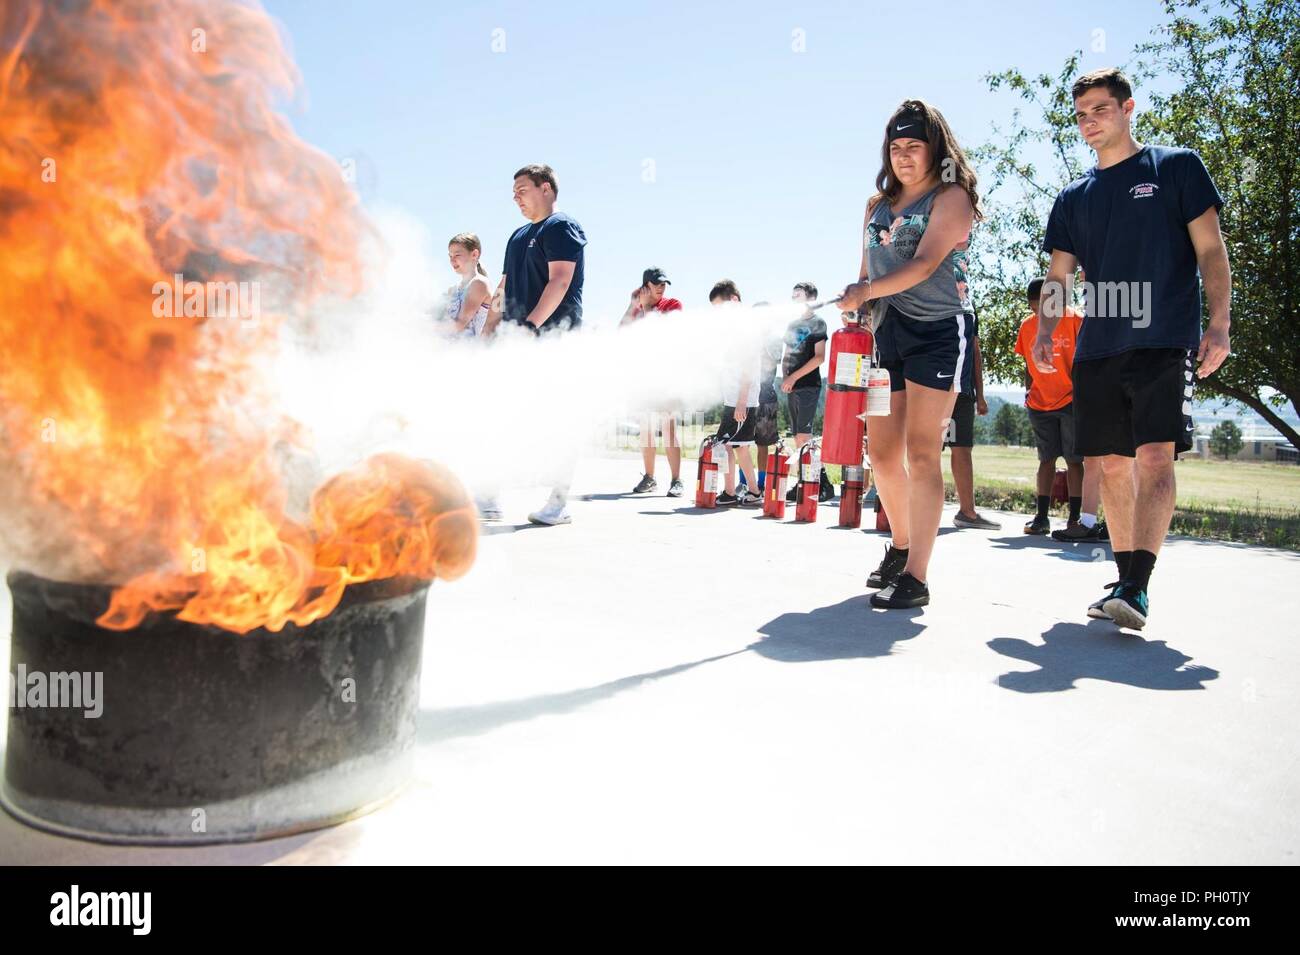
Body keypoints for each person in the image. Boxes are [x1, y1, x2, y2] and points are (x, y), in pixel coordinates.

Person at [1038, 68, 1230, 629]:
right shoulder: (1074, 197)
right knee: (1113, 465)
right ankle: (1125, 582)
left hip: (1163, 339)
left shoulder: (1175, 167)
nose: (1089, 122)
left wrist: (1218, 323)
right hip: (1099, 346)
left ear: (1128, 109)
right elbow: (1059, 276)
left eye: (1099, 109)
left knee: (1154, 456)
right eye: (1080, 115)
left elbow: (1211, 251)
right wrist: (1049, 331)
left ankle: (1137, 587)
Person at [838, 99, 982, 609]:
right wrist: (855, 301)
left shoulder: (952, 198)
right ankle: (900, 547)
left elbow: (922, 266)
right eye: (895, 147)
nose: (903, 156)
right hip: (885, 337)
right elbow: (866, 272)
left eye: (913, 146)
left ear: (934, 150)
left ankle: (917, 577)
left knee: (922, 453)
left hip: (939, 332)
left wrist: (866, 292)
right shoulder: (874, 206)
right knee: (880, 454)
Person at [483, 163, 588, 526]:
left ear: (546, 188)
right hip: (518, 341)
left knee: (560, 421)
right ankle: (488, 495)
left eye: (522, 190)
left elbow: (559, 282)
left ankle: (559, 503)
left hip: (554, 340)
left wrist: (529, 327)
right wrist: (489, 331)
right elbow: (503, 287)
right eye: (513, 193)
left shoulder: (561, 227)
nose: (516, 198)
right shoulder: (516, 236)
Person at [1014, 276, 1094, 537]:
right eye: (1033, 309)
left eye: (1043, 308)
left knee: (1074, 460)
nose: (1038, 314)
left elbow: (1086, 361)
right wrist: (1028, 391)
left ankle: (1074, 518)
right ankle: (1041, 517)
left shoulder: (1076, 321)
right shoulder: (1027, 327)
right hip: (1040, 402)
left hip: (1071, 400)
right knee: (1045, 459)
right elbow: (1028, 362)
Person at [621, 267, 685, 496]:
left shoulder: (672, 305)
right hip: (643, 379)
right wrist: (633, 305)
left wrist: (646, 307)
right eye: (657, 283)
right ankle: (649, 478)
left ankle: (677, 480)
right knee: (646, 430)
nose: (662, 287)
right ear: (645, 286)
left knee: (668, 428)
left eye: (664, 283)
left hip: (667, 378)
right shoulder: (636, 309)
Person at [709, 280, 761, 507]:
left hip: (742, 400)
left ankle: (732, 492)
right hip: (735, 399)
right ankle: (752, 491)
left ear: (734, 300)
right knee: (739, 447)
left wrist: (741, 402)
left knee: (727, 445)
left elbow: (749, 367)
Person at [782, 283, 835, 503]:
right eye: (792, 295)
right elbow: (787, 353)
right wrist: (785, 376)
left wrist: (794, 377)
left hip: (808, 386)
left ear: (811, 298)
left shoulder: (818, 323)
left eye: (799, 296)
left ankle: (822, 484)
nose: (794, 299)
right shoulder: (792, 323)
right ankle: (804, 480)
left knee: (805, 436)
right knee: (798, 438)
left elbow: (819, 357)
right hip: (791, 386)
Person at [947, 317, 1000, 529]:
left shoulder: (967, 302)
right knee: (926, 449)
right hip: (932, 384)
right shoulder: (927, 291)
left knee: (962, 448)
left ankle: (967, 512)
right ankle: (912, 512)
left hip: (963, 388)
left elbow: (974, 349)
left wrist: (980, 394)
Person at [443, 233, 492, 338]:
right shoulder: (452, 290)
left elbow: (459, 325)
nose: (452, 260)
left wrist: (425, 327)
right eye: (450, 256)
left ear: (474, 254)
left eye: (457, 255)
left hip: (468, 352)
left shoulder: (479, 283)